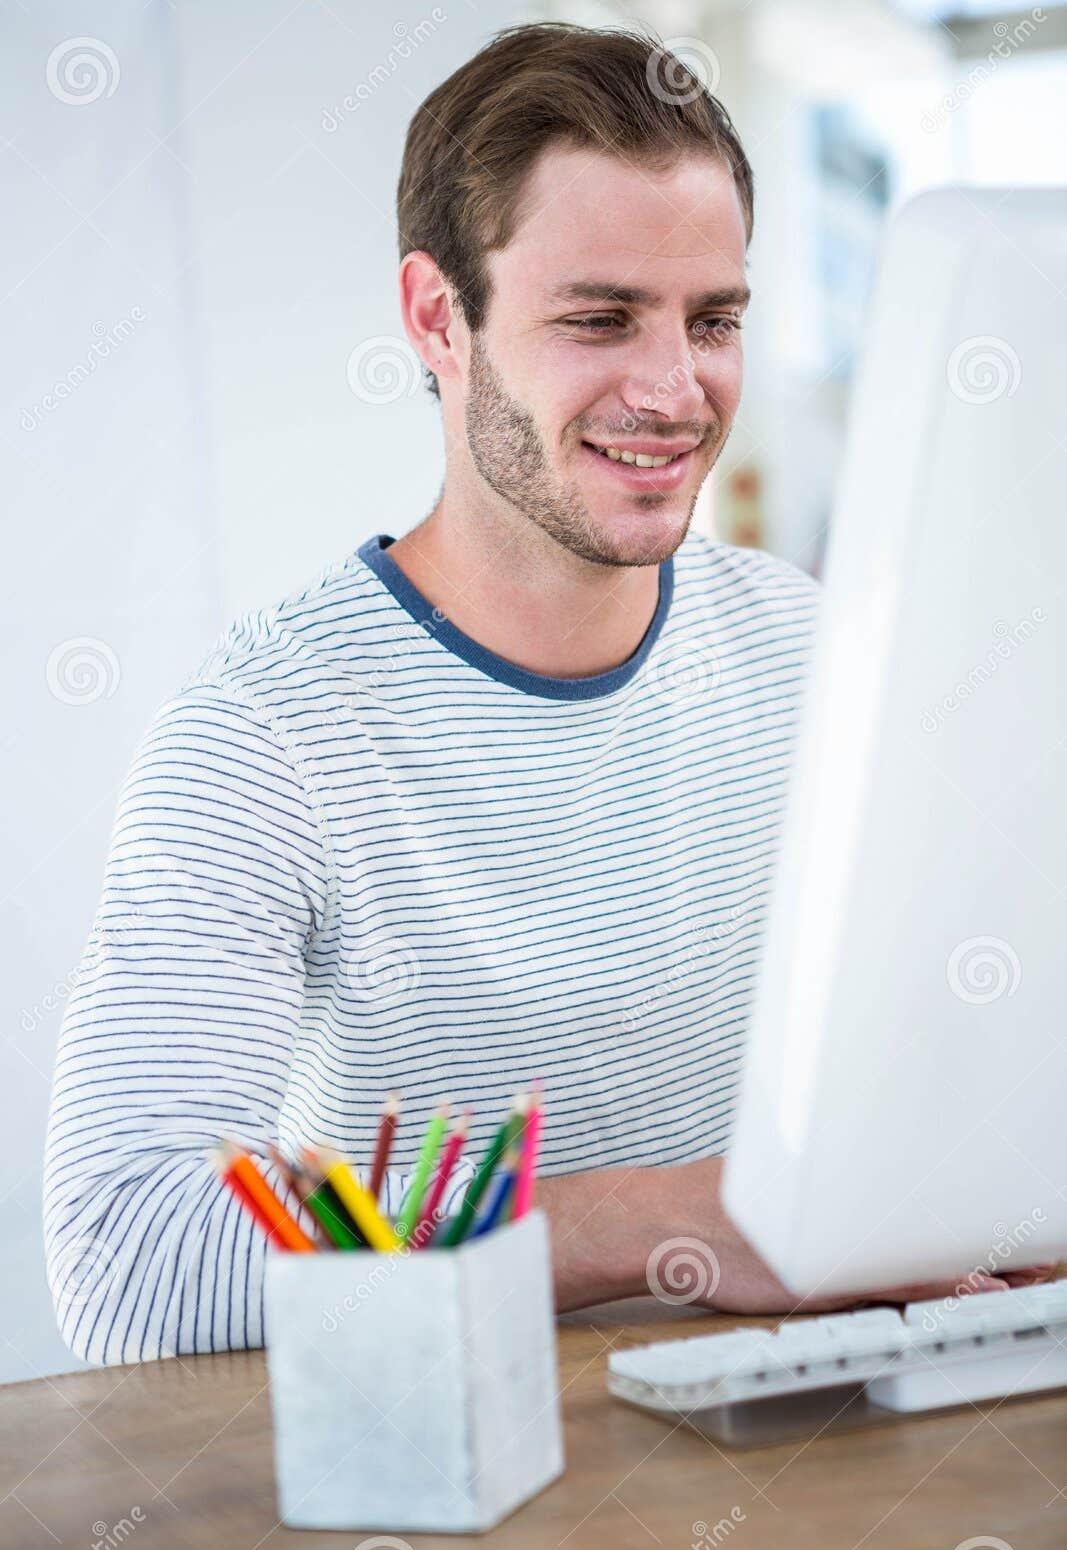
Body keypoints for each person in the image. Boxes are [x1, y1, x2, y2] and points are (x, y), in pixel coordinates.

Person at [44, 23, 1042, 1365]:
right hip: (469, 1499)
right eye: (598, 317)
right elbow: (127, 1258)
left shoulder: (813, 652)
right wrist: (667, 1223)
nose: (675, 390)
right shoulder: (258, 739)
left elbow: (969, 1029)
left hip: (811, 1440)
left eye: (715, 319)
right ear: (434, 318)